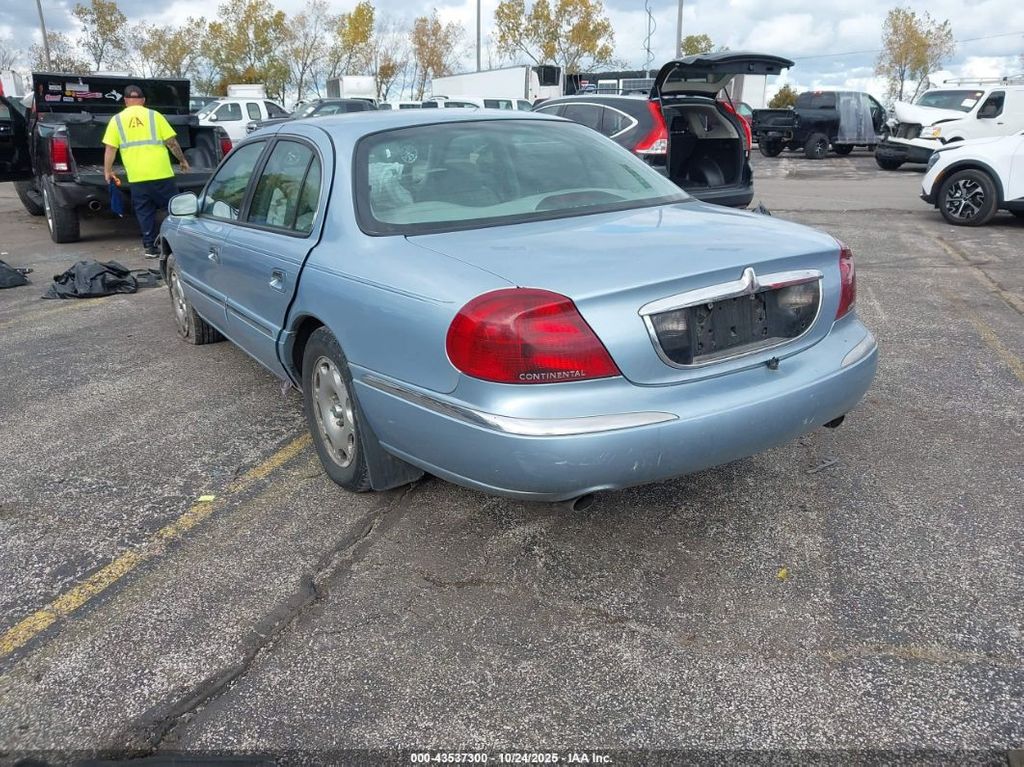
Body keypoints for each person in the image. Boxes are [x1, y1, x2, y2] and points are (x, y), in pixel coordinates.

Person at [102, 84, 190, 257]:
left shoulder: (116, 120)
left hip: (138, 177)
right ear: (143, 100)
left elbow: (110, 149)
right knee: (173, 209)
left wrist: (108, 170)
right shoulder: (154, 116)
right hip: (162, 173)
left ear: (126, 101)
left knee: (144, 212)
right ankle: (178, 244)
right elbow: (171, 142)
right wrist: (182, 160)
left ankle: (150, 247)